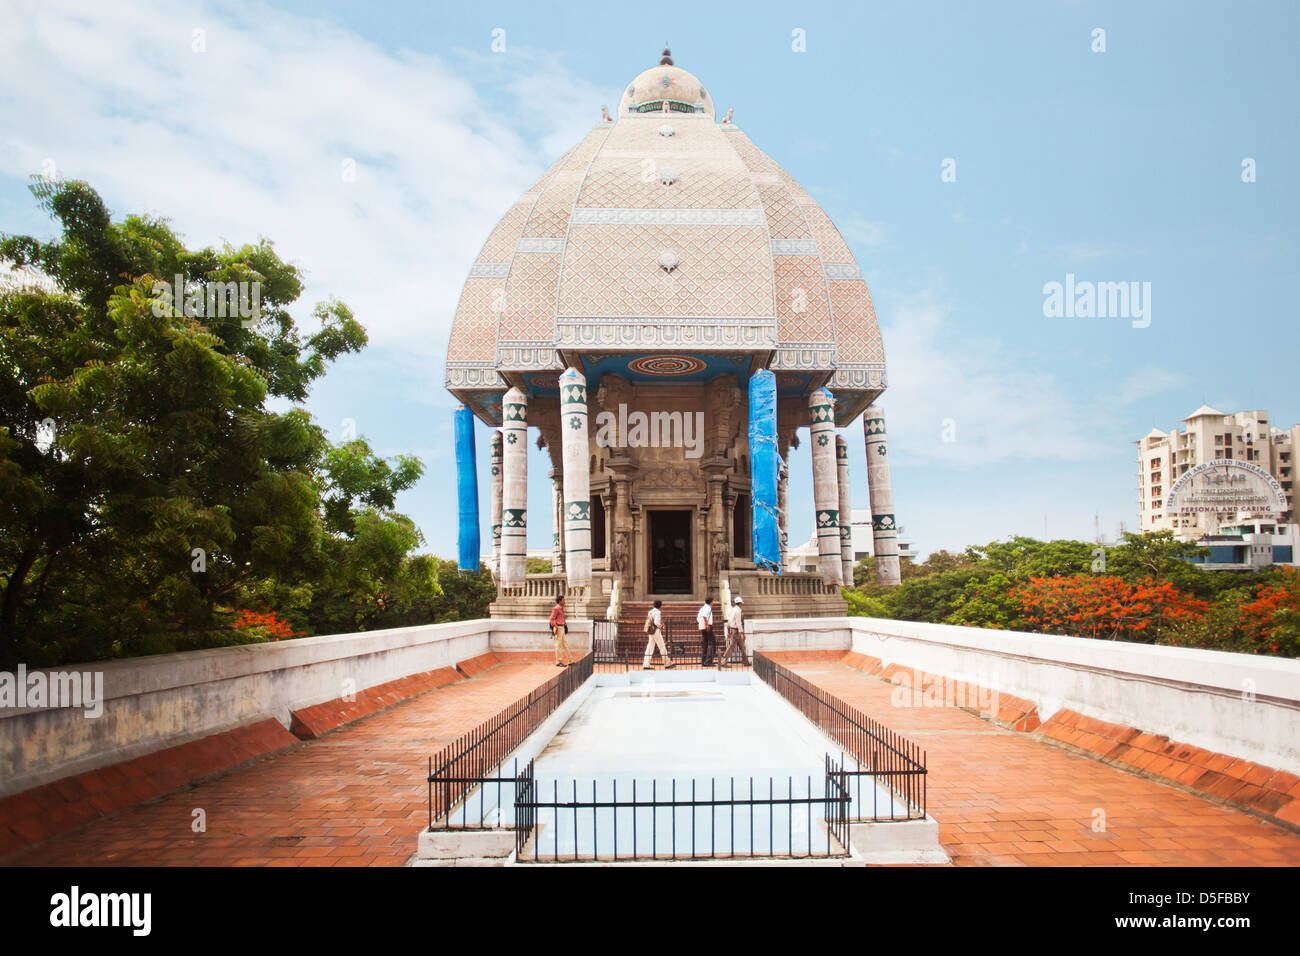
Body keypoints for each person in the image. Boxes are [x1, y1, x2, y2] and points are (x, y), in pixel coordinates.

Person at [642, 599, 675, 669]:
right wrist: (661, 627)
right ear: (660, 606)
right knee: (662, 647)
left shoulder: (650, 612)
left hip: (650, 631)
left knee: (650, 647)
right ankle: (667, 663)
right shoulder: (657, 612)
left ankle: (646, 664)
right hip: (656, 631)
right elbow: (656, 623)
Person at [719, 595, 748, 667]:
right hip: (736, 631)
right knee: (731, 647)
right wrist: (743, 633)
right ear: (740, 603)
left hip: (733, 630)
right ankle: (723, 662)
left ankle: (746, 662)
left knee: (742, 647)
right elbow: (738, 623)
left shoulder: (733, 610)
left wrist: (728, 631)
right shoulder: (738, 611)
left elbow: (729, 621)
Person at [549, 594, 571, 667]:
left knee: (565, 644)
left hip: (562, 627)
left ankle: (570, 660)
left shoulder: (561, 608)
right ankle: (558, 661)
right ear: (560, 601)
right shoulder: (556, 608)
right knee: (558, 645)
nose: (564, 601)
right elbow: (552, 619)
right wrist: (556, 626)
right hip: (559, 627)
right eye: (563, 600)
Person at [697, 596, 716, 666]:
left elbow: (698, 618)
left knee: (705, 644)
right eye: (712, 601)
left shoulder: (702, 608)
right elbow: (705, 616)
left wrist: (702, 624)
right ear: (711, 602)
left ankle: (704, 660)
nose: (713, 603)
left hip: (702, 626)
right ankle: (708, 661)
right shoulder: (708, 608)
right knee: (712, 643)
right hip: (707, 626)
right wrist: (707, 625)